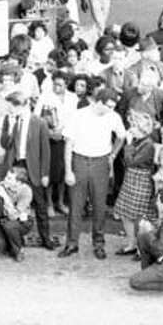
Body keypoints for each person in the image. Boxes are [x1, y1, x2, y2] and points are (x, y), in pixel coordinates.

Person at [61, 87, 126, 259]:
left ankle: (99, 243)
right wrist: (68, 171)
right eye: (108, 106)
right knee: (76, 205)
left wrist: (113, 155)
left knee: (99, 205)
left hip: (101, 162)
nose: (111, 110)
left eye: (113, 107)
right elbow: (68, 144)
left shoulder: (113, 116)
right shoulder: (78, 115)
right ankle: (72, 243)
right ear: (99, 102)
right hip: (79, 160)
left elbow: (121, 136)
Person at [0, 91, 55, 250]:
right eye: (9, 107)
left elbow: (45, 150)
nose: (11, 110)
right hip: (15, 166)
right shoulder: (9, 120)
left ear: (23, 105)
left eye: (13, 107)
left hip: (33, 167)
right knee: (11, 202)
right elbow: (4, 144)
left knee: (40, 205)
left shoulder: (39, 122)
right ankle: (13, 239)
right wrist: (10, 127)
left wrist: (45, 173)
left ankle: (45, 237)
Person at [114, 111, 157, 257]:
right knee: (125, 214)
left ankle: (142, 248)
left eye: (133, 126)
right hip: (131, 179)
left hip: (141, 180)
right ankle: (131, 244)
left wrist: (128, 144)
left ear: (142, 128)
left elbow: (131, 161)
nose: (130, 129)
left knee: (139, 216)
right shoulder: (138, 140)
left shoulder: (148, 145)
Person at [0, 165, 34, 262]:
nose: (5, 180)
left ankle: (19, 250)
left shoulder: (26, 191)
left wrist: (5, 196)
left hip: (22, 222)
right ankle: (14, 242)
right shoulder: (3, 185)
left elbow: (14, 216)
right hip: (5, 220)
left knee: (10, 226)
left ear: (18, 182)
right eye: (6, 177)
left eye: (9, 178)